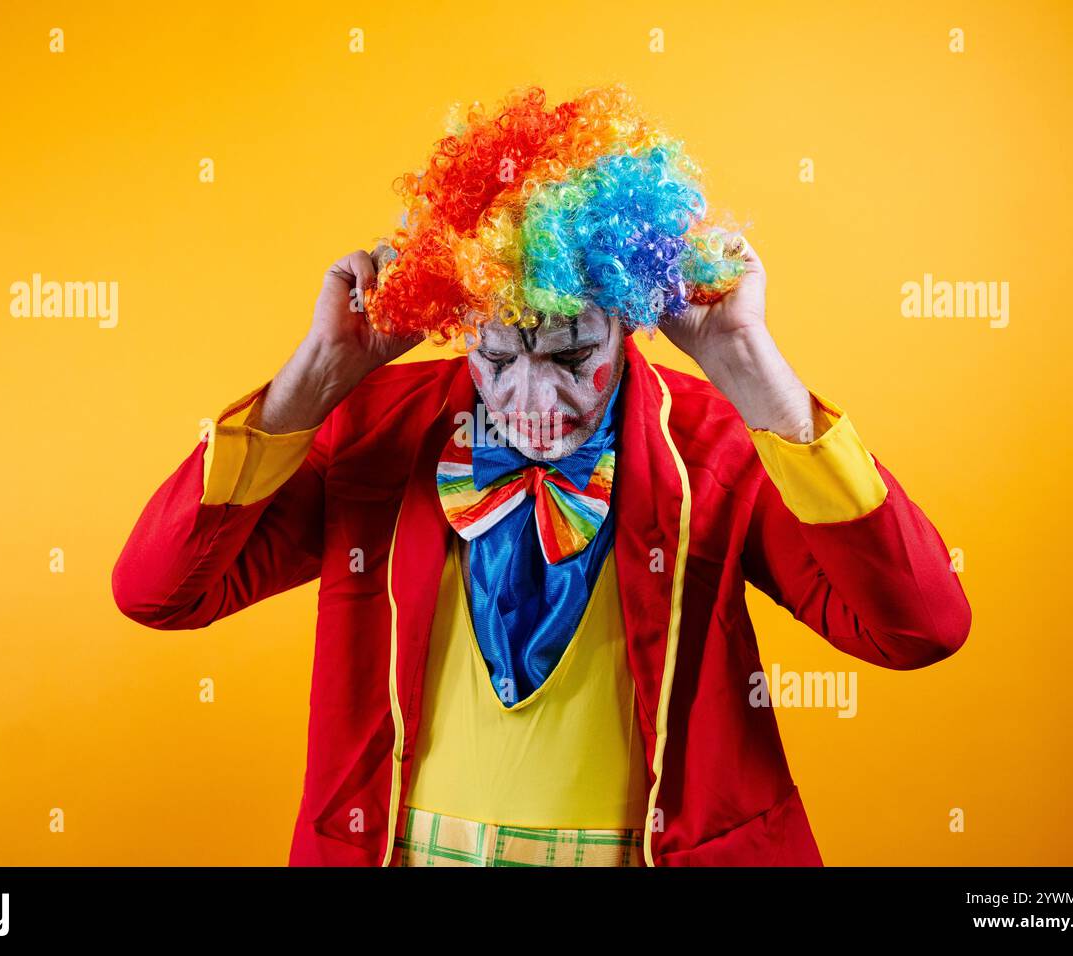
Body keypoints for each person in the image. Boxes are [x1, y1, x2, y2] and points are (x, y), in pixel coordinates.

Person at [111, 85, 971, 867]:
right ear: (458, 317)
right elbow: (161, 592)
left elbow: (918, 628)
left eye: (570, 353)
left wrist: (750, 365)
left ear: (632, 322)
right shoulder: (376, 432)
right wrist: (318, 375)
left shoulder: (720, 448)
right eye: (496, 350)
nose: (532, 399)